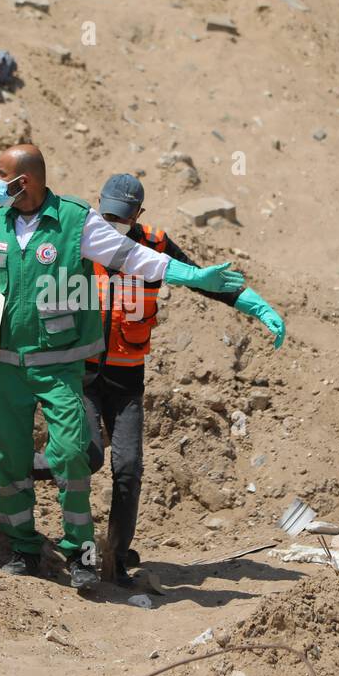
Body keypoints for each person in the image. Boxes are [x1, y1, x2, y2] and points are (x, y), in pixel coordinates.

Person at [0, 145, 245, 590]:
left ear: (23, 180)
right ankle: (22, 547)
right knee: (9, 459)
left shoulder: (77, 224)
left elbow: (139, 258)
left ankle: (90, 555)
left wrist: (209, 284)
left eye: (0, 174)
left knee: (85, 458)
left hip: (75, 369)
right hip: (14, 366)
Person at [32, 174, 284, 584]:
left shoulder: (154, 243)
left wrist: (256, 307)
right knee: (88, 455)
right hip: (83, 372)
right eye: (108, 213)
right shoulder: (80, 236)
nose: (114, 222)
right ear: (98, 204)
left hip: (127, 379)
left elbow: (205, 280)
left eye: (123, 217)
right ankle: (21, 471)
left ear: (139, 215)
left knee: (129, 469)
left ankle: (114, 556)